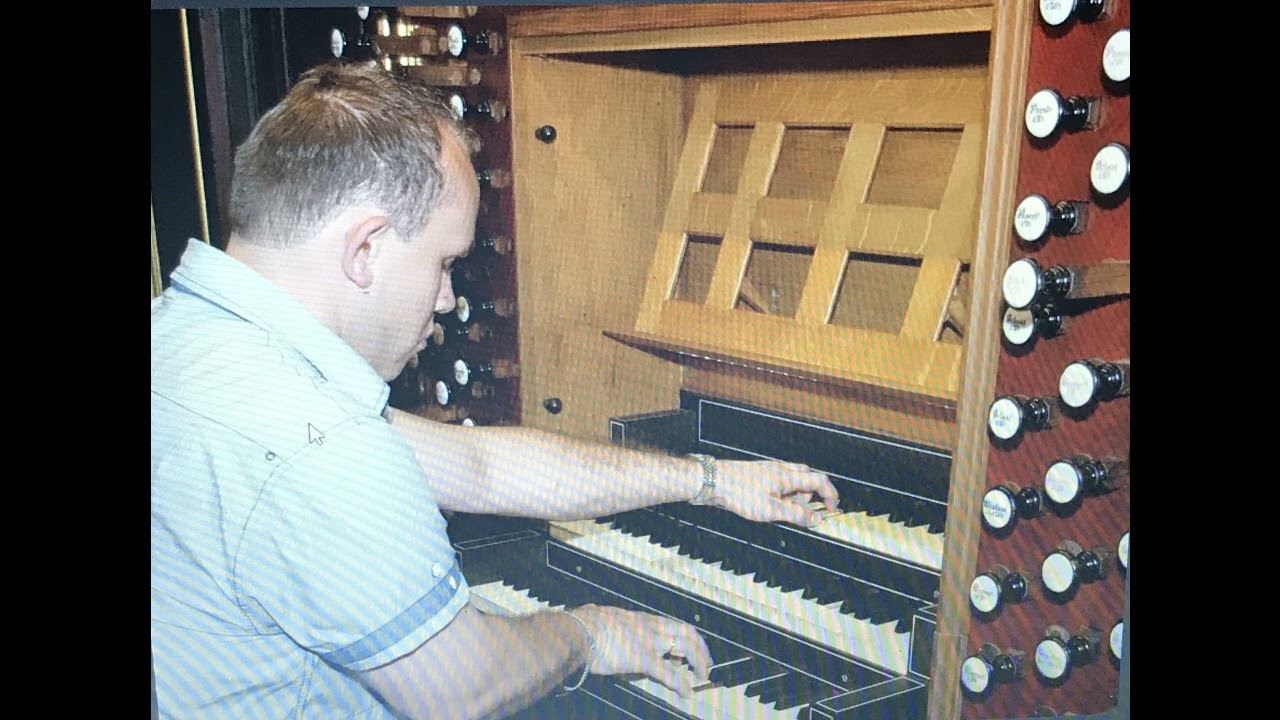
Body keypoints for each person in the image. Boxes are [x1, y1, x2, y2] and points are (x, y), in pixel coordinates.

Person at [151, 61, 839, 720]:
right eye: (444, 261)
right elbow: (461, 689)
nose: (449, 300)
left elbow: (478, 466)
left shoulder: (189, 339)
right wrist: (589, 635)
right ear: (365, 249)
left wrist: (711, 480)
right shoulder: (323, 447)